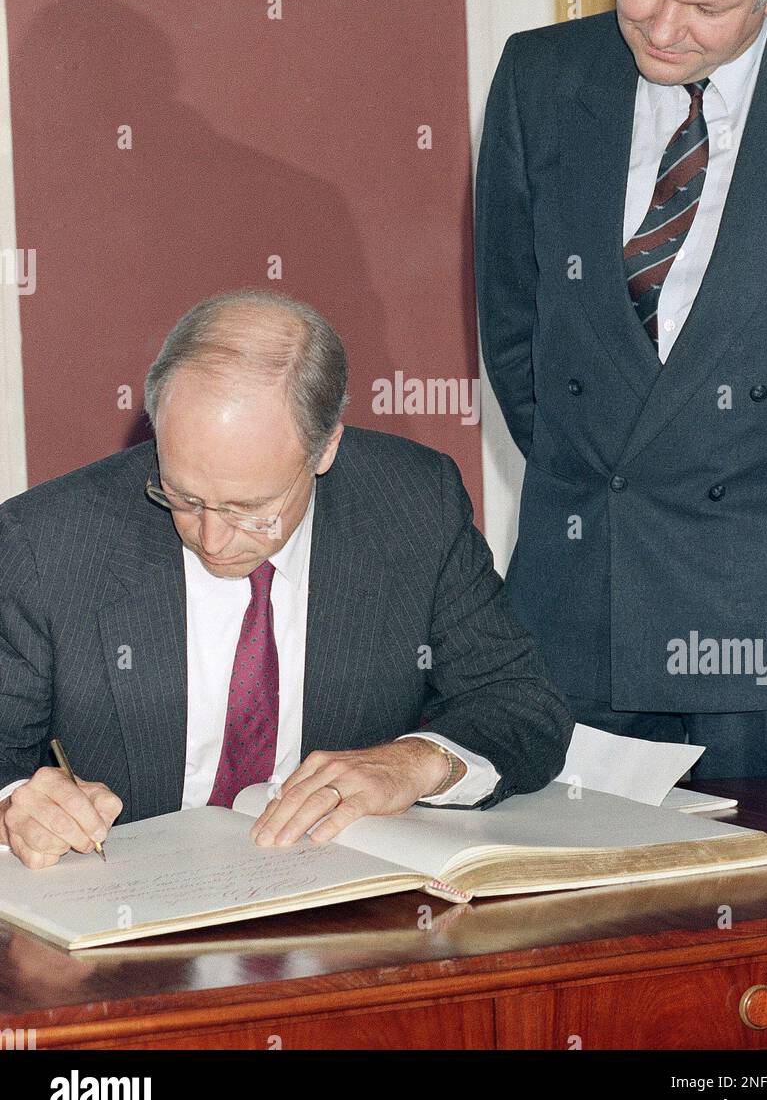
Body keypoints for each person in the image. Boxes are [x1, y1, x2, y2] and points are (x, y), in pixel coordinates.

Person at [475, 0, 767, 778]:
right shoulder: (539, 77)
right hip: (578, 622)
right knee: (581, 921)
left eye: (708, 6)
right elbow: (521, 345)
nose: (663, 27)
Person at [0, 290, 572, 869]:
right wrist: (13, 807)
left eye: (250, 508)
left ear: (326, 448)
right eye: (184, 497)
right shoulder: (46, 543)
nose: (213, 540)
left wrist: (417, 762)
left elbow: (519, 701)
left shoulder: (413, 507)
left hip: (338, 907)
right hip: (126, 911)